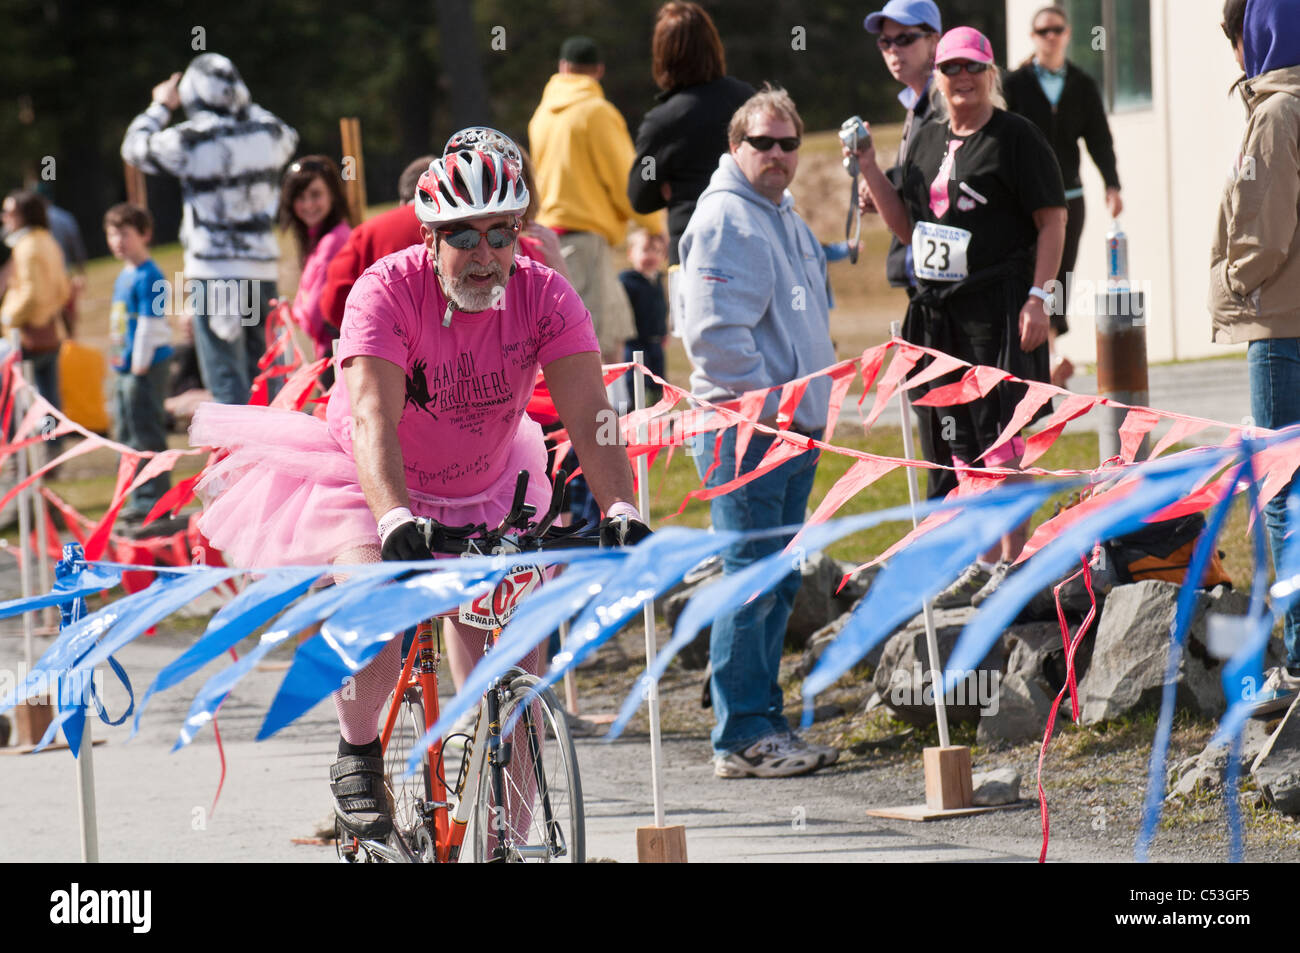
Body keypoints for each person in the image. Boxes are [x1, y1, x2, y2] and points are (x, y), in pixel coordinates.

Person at [188, 132, 648, 838]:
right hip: (372, 475)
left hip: (491, 476)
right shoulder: (384, 291)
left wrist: (620, 504)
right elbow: (373, 418)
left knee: (515, 658)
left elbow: (592, 415)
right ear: (430, 236)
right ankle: (360, 750)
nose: (484, 252)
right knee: (371, 590)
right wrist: (395, 515)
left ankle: (508, 841)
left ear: (519, 232)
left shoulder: (544, 292)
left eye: (501, 233)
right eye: (463, 234)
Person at [851, 26, 1067, 607]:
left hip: (1000, 308)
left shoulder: (1015, 136)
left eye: (972, 67)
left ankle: (1015, 558)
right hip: (940, 314)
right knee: (957, 440)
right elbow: (908, 224)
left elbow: (1053, 220)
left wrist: (1039, 298)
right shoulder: (925, 140)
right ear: (939, 80)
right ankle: (982, 556)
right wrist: (870, 167)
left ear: (990, 72)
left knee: (1005, 434)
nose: (961, 78)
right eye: (950, 69)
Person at [679, 86, 839, 778]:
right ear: (733, 147)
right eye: (761, 142)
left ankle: (762, 718)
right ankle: (740, 733)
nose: (775, 154)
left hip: (792, 431)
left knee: (775, 582)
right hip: (746, 431)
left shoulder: (783, 215)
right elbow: (713, 337)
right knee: (750, 581)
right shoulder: (725, 219)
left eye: (787, 143)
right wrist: (767, 408)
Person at [1210, 0, 1300, 713]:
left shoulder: (1275, 115)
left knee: (1285, 496)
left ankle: (1298, 658)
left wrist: (1227, 278)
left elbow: (1261, 240)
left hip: (1281, 327)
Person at [121, 52, 298, 405]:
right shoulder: (268, 134)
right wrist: (239, 101)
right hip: (260, 272)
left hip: (214, 274)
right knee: (266, 375)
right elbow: (288, 133)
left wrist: (160, 105)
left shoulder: (191, 139)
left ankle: (236, 456)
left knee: (225, 377)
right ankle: (273, 456)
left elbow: (134, 148)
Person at [861, 0, 952, 501]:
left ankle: (977, 555)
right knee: (934, 423)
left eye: (905, 39)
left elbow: (940, 193)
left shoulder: (942, 103)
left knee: (958, 431)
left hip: (951, 292)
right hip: (924, 288)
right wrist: (881, 185)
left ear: (933, 40)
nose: (893, 51)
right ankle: (953, 545)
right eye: (884, 42)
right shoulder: (917, 104)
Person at [527, 35, 664, 365]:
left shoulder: (540, 116)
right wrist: (654, 224)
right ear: (599, 71)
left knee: (572, 343)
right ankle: (602, 418)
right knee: (598, 347)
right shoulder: (596, 112)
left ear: (562, 68)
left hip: (546, 240)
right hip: (586, 242)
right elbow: (626, 179)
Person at [1005, 4, 1122, 387]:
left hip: (1069, 197)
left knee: (1058, 277)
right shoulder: (1015, 84)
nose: (1051, 37)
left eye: (1057, 29)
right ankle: (1043, 358)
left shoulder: (1082, 84)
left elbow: (1099, 139)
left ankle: (1050, 356)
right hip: (1023, 201)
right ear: (1033, 37)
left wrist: (1112, 183)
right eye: (1043, 31)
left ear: (1068, 34)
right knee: (1030, 273)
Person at [626, 2, 754, 270]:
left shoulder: (662, 122)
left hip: (692, 255)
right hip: (752, 243)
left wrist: (666, 189)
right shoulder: (751, 101)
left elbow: (639, 196)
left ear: (662, 56)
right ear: (714, 46)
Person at [104, 203, 173, 526]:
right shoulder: (123, 276)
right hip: (124, 368)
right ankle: (135, 497)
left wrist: (140, 365)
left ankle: (154, 500)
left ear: (144, 234)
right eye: (112, 234)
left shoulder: (151, 276)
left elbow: (151, 322)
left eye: (125, 234)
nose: (118, 241)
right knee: (126, 434)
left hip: (142, 369)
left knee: (146, 433)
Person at [320, 156, 433, 335]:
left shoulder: (367, 233)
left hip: (390, 343)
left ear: (402, 201)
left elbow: (335, 301)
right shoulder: (472, 226)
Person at [278, 156, 354, 359]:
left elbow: (313, 317)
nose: (308, 204)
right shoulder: (320, 239)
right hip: (327, 352)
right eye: (300, 197)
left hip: (332, 355)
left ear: (332, 194)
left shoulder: (333, 241)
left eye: (315, 194)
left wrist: (288, 317)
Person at [1, 190, 69, 412]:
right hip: (50, 329)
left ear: (24, 215)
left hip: (27, 333)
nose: (4, 217)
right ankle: (53, 444)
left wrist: (10, 317)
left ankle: (17, 445)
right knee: (49, 396)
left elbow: (33, 293)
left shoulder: (27, 247)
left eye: (9, 212)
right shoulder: (48, 240)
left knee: (15, 398)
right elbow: (62, 288)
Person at [618, 228, 667, 408]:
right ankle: (632, 415)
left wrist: (663, 331)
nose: (651, 256)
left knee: (659, 381)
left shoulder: (657, 280)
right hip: (634, 342)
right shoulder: (627, 281)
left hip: (655, 342)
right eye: (646, 250)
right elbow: (621, 311)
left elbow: (661, 309)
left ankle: (658, 417)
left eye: (657, 251)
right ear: (631, 253)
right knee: (635, 381)